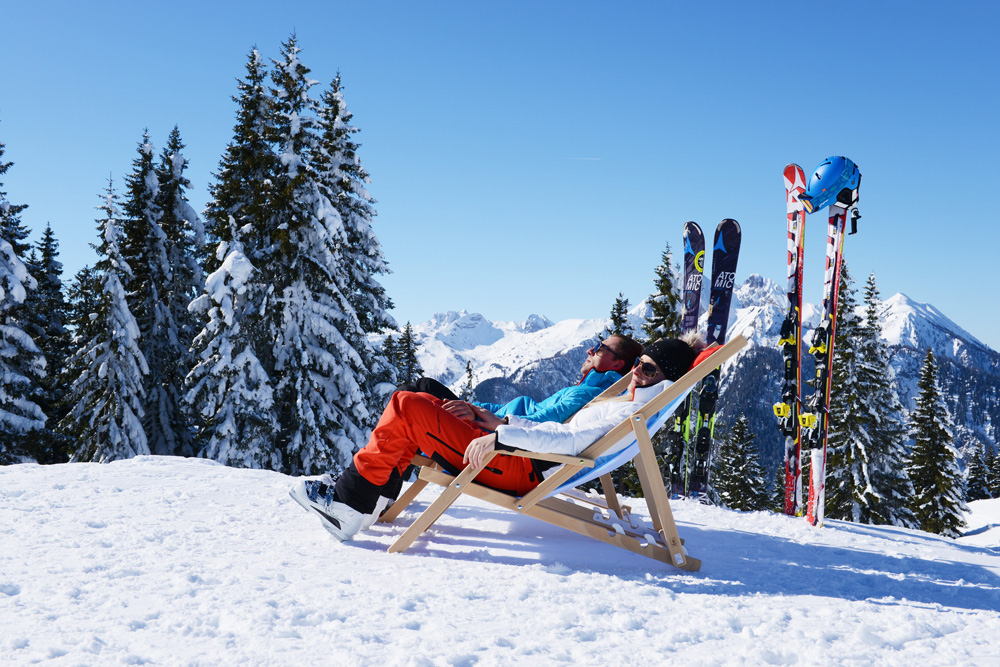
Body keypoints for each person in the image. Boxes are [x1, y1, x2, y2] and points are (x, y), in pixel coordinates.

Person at [290, 335, 705, 541]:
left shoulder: (628, 410)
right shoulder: (629, 400)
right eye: (641, 364)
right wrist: (503, 430)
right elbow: (562, 432)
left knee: (407, 406)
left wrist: (501, 436)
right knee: (415, 401)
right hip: (521, 454)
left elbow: (570, 444)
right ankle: (370, 492)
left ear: (666, 378)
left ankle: (351, 502)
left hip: (517, 466)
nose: (638, 372)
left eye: (648, 370)